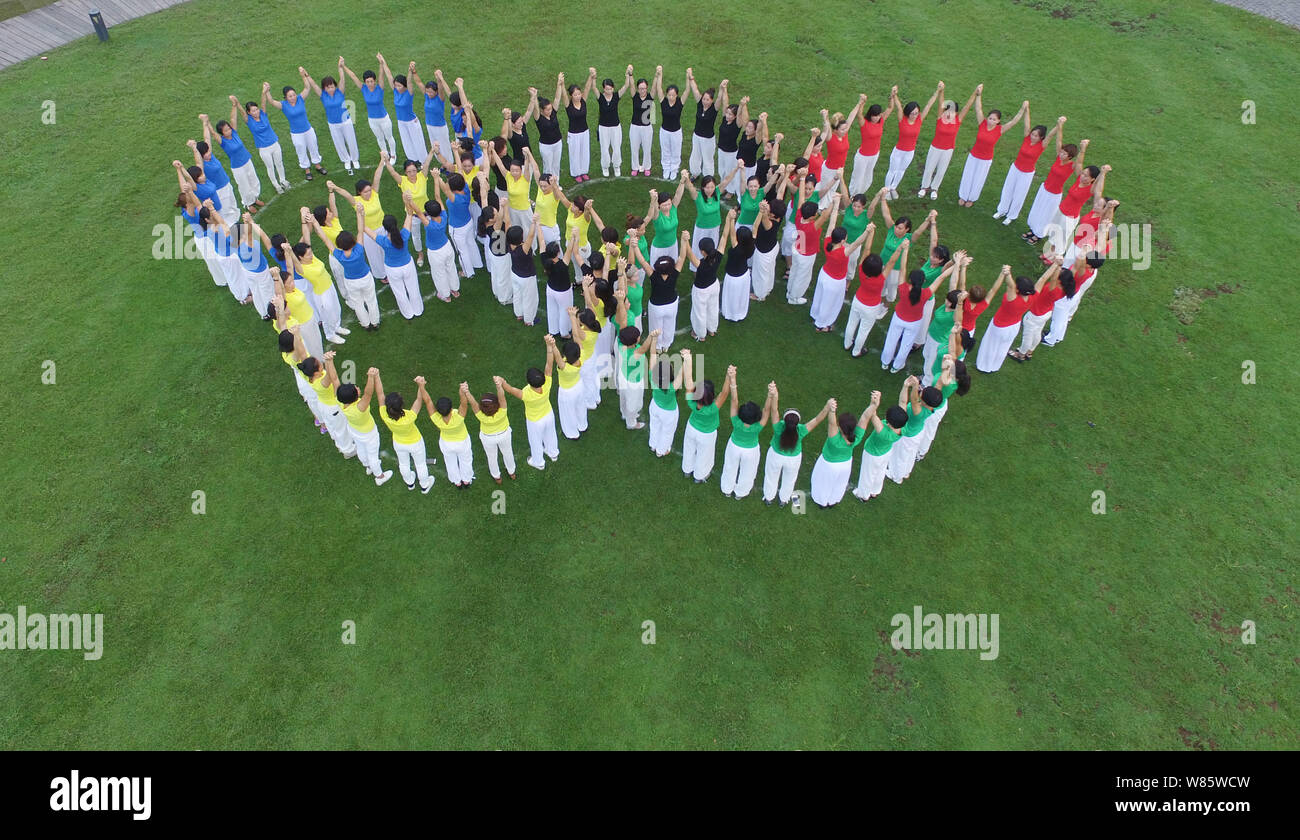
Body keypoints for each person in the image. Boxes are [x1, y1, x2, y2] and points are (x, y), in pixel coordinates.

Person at [879, 242, 953, 373]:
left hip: (898, 318)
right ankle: (896, 366)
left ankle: (885, 362)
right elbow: (941, 277)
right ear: (923, 281)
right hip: (913, 323)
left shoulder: (903, 288)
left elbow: (903, 268)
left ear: (910, 280)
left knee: (891, 339)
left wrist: (905, 250)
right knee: (906, 345)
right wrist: (956, 264)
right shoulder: (926, 294)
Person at [761, 385, 831, 507]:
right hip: (793, 459)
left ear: (785, 420)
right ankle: (783, 500)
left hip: (775, 456)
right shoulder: (801, 430)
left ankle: (768, 498)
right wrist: (827, 407)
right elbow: (817, 420)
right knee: (789, 480)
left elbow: (774, 410)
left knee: (771, 477)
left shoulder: (778, 427)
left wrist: (775, 395)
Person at [810, 196, 872, 331]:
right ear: (843, 241)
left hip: (824, 274)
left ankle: (815, 314)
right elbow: (857, 243)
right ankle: (821, 325)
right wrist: (867, 231)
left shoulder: (827, 242)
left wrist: (836, 203)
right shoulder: (843, 253)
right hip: (835, 282)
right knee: (830, 303)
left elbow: (832, 223)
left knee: (820, 296)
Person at [497, 339, 559, 470]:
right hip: (548, 415)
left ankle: (539, 462)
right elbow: (549, 364)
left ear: (529, 383)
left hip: (535, 422)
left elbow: (510, 390)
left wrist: (501, 382)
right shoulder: (547, 383)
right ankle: (553, 454)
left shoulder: (526, 393)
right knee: (551, 434)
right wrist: (549, 346)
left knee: (535, 442)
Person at [288, 212, 349, 345]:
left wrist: (305, 220)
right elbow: (291, 258)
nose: (310, 255)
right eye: (308, 254)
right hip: (321, 293)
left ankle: (337, 326)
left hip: (329, 286)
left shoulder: (312, 258)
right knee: (327, 315)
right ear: (300, 258)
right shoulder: (301, 268)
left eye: (310, 253)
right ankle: (330, 334)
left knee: (336, 308)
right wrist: (288, 251)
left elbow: (307, 237)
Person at [956, 96, 1027, 207]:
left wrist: (1023, 109)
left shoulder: (1000, 129)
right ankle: (963, 196)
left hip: (985, 160)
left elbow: (1014, 121)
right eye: (990, 118)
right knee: (968, 175)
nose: (991, 121)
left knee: (979, 178)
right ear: (987, 118)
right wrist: (979, 95)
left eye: (994, 119)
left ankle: (971, 198)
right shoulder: (982, 123)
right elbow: (978, 109)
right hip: (974, 155)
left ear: (998, 121)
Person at [994, 114, 1063, 226]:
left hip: (1026, 174)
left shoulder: (1042, 145)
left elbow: (1050, 135)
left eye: (1036, 136)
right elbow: (1027, 124)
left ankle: (1011, 216)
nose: (1033, 137)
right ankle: (1001, 210)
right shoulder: (1027, 138)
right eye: (1032, 134)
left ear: (1041, 138)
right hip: (1015, 168)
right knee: (1008, 189)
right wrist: (1026, 109)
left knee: (1019, 195)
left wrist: (1059, 124)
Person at [376, 373, 436, 493]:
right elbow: (420, 399)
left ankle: (410, 483)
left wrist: (376, 376)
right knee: (420, 464)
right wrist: (421, 386)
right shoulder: (409, 416)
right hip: (415, 443)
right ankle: (424, 485)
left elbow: (380, 394)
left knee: (403, 464)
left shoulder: (384, 414)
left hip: (399, 443)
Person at [329, 167, 390, 284]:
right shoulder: (357, 201)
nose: (369, 193)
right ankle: (381, 275)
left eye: (369, 190)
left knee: (385, 249)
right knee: (374, 255)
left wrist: (382, 160)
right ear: (359, 192)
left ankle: (388, 267)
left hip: (382, 228)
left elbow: (377, 177)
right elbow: (346, 195)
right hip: (367, 232)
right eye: (365, 191)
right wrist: (334, 187)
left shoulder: (374, 194)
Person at [718, 369, 772, 499]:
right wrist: (771, 395)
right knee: (748, 472)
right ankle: (740, 493)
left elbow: (734, 400)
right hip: (751, 451)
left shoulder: (735, 421)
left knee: (729, 467)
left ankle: (726, 489)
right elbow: (766, 410)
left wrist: (733, 379)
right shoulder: (758, 427)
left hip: (734, 447)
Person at [917, 84, 978, 200]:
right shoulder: (940, 118)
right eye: (947, 110)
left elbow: (967, 106)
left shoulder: (957, 120)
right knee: (929, 168)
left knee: (941, 170)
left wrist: (975, 93)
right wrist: (942, 90)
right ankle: (924, 187)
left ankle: (934, 188)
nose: (949, 113)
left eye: (953, 111)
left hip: (948, 150)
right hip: (935, 147)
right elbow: (941, 102)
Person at [262, 73, 328, 181]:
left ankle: (317, 165)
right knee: (301, 150)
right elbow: (272, 101)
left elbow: (307, 87)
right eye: (290, 96)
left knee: (313, 146)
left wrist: (303, 75)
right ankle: (307, 170)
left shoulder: (300, 98)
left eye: (293, 95)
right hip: (296, 133)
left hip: (308, 130)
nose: (293, 97)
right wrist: (267, 90)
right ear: (286, 97)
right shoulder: (284, 105)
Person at [974, 265, 1039, 373]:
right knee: (1003, 348)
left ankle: (983, 366)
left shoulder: (1013, 298)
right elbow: (1042, 280)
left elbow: (1010, 286)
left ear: (1018, 289)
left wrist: (1007, 273)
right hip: (1014, 327)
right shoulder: (1034, 296)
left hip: (1000, 326)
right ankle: (995, 367)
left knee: (990, 345)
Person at [872, 191, 935, 302]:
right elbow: (886, 215)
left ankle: (886, 305)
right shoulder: (891, 230)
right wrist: (883, 199)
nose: (897, 229)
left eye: (900, 228)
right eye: (897, 226)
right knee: (881, 284)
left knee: (891, 287)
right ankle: (879, 301)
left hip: (896, 268)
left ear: (907, 229)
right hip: (883, 262)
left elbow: (919, 232)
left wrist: (928, 219)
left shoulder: (909, 238)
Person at [882, 82, 941, 199]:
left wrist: (937, 92)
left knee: (901, 170)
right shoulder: (902, 119)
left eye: (916, 113)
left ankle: (893, 187)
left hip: (909, 152)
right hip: (898, 151)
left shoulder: (919, 119)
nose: (914, 115)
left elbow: (929, 105)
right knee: (892, 170)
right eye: (912, 113)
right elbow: (898, 107)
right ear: (907, 113)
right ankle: (886, 190)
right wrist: (894, 94)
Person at [337, 367, 395, 486]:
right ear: (355, 395)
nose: (358, 387)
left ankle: (367, 467)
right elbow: (368, 393)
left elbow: (334, 380)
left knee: (361, 450)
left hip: (354, 431)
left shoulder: (340, 402)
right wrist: (371, 376)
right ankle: (379, 476)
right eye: (356, 388)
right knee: (373, 455)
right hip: (369, 434)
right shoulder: (359, 407)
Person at [1024, 136, 1085, 245]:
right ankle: (1033, 229)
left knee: (1046, 215)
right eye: (1061, 152)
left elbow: (1079, 162)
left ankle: (1039, 234)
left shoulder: (1071, 166)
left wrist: (1082, 149)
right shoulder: (1058, 158)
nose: (1061, 154)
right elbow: (1059, 141)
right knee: (1038, 209)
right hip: (1044, 189)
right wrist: (1060, 125)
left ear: (1070, 157)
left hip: (1054, 195)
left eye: (1064, 154)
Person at [809, 398, 870, 507]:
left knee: (822, 483)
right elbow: (865, 417)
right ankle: (833, 501)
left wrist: (832, 410)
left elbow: (831, 423)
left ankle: (822, 502)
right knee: (840, 484)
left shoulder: (834, 440)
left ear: (840, 427)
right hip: (846, 465)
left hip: (828, 465)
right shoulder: (856, 438)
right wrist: (874, 404)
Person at [366, 202, 423, 321]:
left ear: (385, 228)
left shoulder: (382, 240)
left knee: (399, 292)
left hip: (392, 269)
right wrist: (407, 201)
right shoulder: (404, 234)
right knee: (413, 288)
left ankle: (408, 314)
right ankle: (418, 310)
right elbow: (409, 215)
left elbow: (365, 229)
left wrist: (360, 215)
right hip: (407, 266)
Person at [330, 203, 381, 331]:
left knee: (358, 303)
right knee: (371, 300)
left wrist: (314, 223)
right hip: (365, 278)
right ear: (352, 241)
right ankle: (375, 322)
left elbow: (325, 239)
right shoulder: (358, 249)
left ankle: (365, 324)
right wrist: (359, 213)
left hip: (351, 282)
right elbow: (360, 230)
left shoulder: (339, 255)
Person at [403, 186, 459, 303]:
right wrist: (435, 178)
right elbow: (438, 197)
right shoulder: (444, 215)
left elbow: (418, 212)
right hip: (447, 247)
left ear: (428, 213)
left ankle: (445, 295)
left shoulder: (429, 224)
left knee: (439, 274)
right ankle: (455, 290)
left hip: (435, 252)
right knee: (451, 267)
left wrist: (409, 200)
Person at [920, 257, 971, 385]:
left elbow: (959, 318)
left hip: (939, 341)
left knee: (931, 363)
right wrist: (958, 264)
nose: (946, 300)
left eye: (949, 300)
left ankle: (926, 384)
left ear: (955, 304)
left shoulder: (955, 314)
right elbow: (953, 283)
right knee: (926, 355)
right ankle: (926, 377)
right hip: (932, 335)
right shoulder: (948, 304)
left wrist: (959, 302)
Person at [301, 66, 360, 175]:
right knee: (339, 143)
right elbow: (313, 85)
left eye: (332, 86)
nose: (330, 89)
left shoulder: (340, 91)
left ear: (335, 86)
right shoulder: (323, 95)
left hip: (345, 121)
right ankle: (346, 160)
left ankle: (355, 159)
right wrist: (306, 74)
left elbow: (342, 78)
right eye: (327, 87)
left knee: (351, 140)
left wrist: (340, 66)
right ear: (324, 88)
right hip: (333, 124)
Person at [635, 234, 690, 350]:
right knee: (670, 325)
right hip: (671, 305)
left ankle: (658, 346)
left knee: (655, 326)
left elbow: (643, 261)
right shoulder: (674, 273)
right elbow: (682, 257)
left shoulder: (653, 275)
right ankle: (667, 343)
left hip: (656, 306)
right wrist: (683, 241)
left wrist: (635, 247)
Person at [681, 363, 734, 482]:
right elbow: (724, 393)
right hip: (707, 435)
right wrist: (728, 376)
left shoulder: (691, 402)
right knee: (704, 455)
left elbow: (689, 380)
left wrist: (687, 359)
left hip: (691, 428)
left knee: (689, 448)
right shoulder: (713, 408)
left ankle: (687, 470)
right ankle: (699, 476)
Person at [340, 56, 398, 163]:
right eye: (367, 82)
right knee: (380, 138)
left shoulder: (380, 88)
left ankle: (393, 155)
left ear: (374, 81)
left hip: (384, 118)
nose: (370, 83)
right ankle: (385, 155)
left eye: (371, 81)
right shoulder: (363, 89)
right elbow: (353, 77)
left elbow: (381, 75)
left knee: (389, 137)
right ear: (365, 82)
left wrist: (381, 63)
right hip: (372, 120)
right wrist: (343, 66)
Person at [201, 114, 262, 212]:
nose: (229, 131)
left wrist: (234, 104)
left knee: (253, 180)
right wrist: (206, 122)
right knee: (244, 185)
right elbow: (212, 133)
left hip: (247, 160)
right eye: (225, 130)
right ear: (222, 133)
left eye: (229, 128)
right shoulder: (223, 142)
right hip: (237, 167)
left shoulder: (234, 133)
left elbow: (233, 118)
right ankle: (248, 204)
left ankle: (255, 198)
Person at [232, 94, 290, 193]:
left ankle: (283, 180)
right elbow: (242, 112)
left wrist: (264, 91)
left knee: (279, 163)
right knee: (270, 167)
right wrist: (236, 102)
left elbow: (263, 103)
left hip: (274, 143)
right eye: (253, 111)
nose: (256, 112)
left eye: (256, 109)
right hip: (264, 149)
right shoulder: (248, 120)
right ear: (249, 113)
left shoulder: (263, 114)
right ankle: (276, 185)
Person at [916, 355, 970, 461]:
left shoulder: (948, 382)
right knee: (925, 428)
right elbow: (944, 362)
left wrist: (947, 363)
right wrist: (947, 360)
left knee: (928, 431)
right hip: (936, 403)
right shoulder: (950, 378)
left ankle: (921, 452)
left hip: (935, 408)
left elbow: (941, 380)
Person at [1010, 262, 1067, 361]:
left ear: (1059, 280)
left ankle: (1021, 354)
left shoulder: (1053, 288)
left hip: (1035, 314)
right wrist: (1058, 266)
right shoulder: (1064, 289)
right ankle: (1030, 351)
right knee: (1037, 332)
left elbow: (1044, 278)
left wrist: (1056, 265)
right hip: (1046, 313)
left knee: (1027, 335)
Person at [787, 196, 838, 306]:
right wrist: (833, 202)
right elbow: (824, 217)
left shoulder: (798, 216)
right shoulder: (811, 227)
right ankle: (794, 297)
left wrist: (802, 181)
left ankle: (789, 291)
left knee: (794, 271)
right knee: (802, 277)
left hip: (797, 249)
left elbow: (801, 200)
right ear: (812, 217)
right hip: (806, 255)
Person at [303, 352, 356, 457]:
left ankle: (337, 441)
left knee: (333, 426)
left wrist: (327, 361)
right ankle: (348, 451)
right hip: (333, 409)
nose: (320, 362)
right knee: (341, 429)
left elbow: (328, 374)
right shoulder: (321, 383)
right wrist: (330, 361)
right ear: (316, 371)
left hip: (323, 405)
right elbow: (333, 377)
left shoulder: (310, 377)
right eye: (319, 363)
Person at [852, 392, 902, 502]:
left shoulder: (883, 431)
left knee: (867, 474)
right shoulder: (900, 428)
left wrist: (875, 402)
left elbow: (872, 415)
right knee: (880, 472)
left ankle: (863, 495)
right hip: (885, 453)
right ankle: (875, 491)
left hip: (872, 454)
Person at [465, 381, 517, 484]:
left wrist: (466, 392)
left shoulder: (480, 414)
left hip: (488, 438)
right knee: (508, 453)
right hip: (504, 435)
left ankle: (497, 477)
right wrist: (498, 386)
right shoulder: (502, 410)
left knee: (491, 457)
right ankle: (512, 473)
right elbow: (501, 396)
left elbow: (473, 403)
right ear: (497, 403)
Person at [427, 384, 475, 487]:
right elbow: (464, 403)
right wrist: (461, 390)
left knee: (450, 463)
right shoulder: (458, 417)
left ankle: (457, 482)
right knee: (466, 461)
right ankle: (466, 480)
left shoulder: (436, 418)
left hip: (446, 444)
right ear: (451, 408)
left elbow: (428, 402)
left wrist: (421, 387)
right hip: (462, 443)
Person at [849, 94, 894, 196]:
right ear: (870, 115)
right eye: (874, 115)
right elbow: (859, 114)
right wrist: (863, 101)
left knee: (868, 176)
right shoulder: (864, 123)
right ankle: (853, 195)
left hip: (874, 154)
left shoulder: (881, 121)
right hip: (863, 156)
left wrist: (892, 96)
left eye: (878, 115)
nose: (876, 118)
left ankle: (861, 194)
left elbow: (890, 108)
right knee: (858, 176)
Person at [409, 63, 452, 167]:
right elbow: (419, 82)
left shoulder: (440, 98)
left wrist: (438, 78)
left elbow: (441, 88)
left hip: (440, 127)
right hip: (430, 126)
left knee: (445, 146)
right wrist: (413, 71)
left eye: (431, 92)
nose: (428, 93)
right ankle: (442, 163)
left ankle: (450, 164)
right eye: (427, 91)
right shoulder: (427, 96)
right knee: (436, 146)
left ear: (436, 92)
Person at [682, 233, 723, 342]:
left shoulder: (700, 264)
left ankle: (700, 334)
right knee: (713, 307)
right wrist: (729, 220)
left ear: (703, 252)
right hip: (714, 286)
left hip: (701, 291)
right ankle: (712, 330)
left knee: (699, 312)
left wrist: (685, 240)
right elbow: (723, 237)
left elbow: (689, 253)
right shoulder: (718, 256)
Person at [558, 68, 597, 181]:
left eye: (579, 94)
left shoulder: (583, 101)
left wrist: (591, 75)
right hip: (574, 134)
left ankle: (584, 171)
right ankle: (576, 173)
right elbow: (563, 94)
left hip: (584, 131)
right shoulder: (568, 105)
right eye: (575, 95)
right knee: (574, 154)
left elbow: (587, 88)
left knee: (584, 152)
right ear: (571, 96)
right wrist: (561, 83)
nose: (578, 96)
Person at [886, 377, 926, 484]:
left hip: (907, 436)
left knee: (901, 456)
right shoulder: (927, 409)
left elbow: (905, 402)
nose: (920, 391)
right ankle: (906, 472)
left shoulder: (917, 410)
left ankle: (896, 476)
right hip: (916, 433)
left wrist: (912, 386)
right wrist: (906, 387)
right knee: (910, 454)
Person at [594, 66, 633, 177]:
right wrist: (593, 76)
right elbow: (593, 87)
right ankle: (605, 167)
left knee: (616, 148)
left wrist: (627, 74)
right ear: (603, 89)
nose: (609, 91)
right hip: (603, 127)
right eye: (607, 89)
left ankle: (616, 166)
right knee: (604, 149)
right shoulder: (600, 97)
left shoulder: (616, 96)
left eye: (611, 89)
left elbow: (626, 86)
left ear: (613, 88)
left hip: (615, 127)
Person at [684, 70, 723, 177]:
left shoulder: (714, 109)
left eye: (707, 100)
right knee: (695, 156)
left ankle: (708, 178)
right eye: (704, 99)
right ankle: (695, 173)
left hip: (708, 139)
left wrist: (722, 88)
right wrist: (691, 76)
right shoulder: (700, 104)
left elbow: (720, 98)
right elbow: (695, 90)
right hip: (696, 136)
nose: (705, 101)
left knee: (708, 159)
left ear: (711, 101)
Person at [648, 342, 685, 457]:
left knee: (654, 426)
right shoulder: (671, 388)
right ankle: (661, 451)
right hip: (669, 413)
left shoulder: (652, 378)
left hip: (654, 406)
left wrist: (654, 339)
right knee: (667, 432)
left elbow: (653, 354)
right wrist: (686, 359)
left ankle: (653, 444)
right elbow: (681, 374)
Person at [652, 66, 686, 179]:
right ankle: (666, 168)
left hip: (676, 132)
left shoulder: (680, 103)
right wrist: (659, 74)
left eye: (673, 95)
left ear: (677, 95)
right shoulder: (663, 101)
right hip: (664, 131)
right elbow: (658, 88)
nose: (671, 97)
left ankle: (674, 169)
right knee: (665, 150)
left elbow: (687, 90)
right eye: (669, 95)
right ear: (667, 94)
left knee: (676, 151)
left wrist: (688, 77)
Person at [508, 213, 542, 326]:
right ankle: (529, 320)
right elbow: (531, 236)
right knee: (530, 298)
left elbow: (508, 224)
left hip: (514, 274)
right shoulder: (523, 249)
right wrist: (534, 222)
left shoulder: (509, 244)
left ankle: (518, 314)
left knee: (517, 294)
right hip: (526, 278)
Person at [551, 335, 587, 440]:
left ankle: (572, 433)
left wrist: (553, 345)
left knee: (568, 413)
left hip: (567, 392)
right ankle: (582, 425)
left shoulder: (565, 367)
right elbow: (578, 339)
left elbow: (557, 357)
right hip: (579, 386)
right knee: (581, 407)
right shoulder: (582, 357)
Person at [647, 174, 689, 263]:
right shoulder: (657, 215)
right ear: (659, 205)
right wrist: (653, 199)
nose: (667, 207)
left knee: (672, 269)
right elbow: (654, 207)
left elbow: (678, 195)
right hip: (659, 248)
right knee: (658, 271)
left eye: (669, 204)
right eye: (664, 205)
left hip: (673, 245)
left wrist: (682, 180)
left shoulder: (673, 209)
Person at [717, 96, 751, 198]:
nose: (727, 116)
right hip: (721, 150)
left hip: (730, 152)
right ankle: (723, 186)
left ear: (735, 116)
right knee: (721, 170)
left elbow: (741, 114)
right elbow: (725, 102)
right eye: (727, 113)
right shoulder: (724, 120)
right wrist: (724, 89)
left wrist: (742, 104)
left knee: (729, 171)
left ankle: (731, 191)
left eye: (730, 114)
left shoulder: (737, 124)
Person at [528, 85, 565, 177]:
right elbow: (535, 108)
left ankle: (556, 183)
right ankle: (548, 185)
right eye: (547, 110)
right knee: (548, 167)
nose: (550, 111)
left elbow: (557, 98)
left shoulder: (553, 114)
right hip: (546, 146)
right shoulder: (539, 119)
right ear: (542, 111)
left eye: (551, 108)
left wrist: (559, 83)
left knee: (556, 165)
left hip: (557, 143)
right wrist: (534, 96)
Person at [750, 198, 782, 301]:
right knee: (769, 270)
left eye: (770, 207)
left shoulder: (769, 224)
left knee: (760, 274)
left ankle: (760, 295)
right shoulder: (778, 217)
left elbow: (762, 218)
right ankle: (768, 288)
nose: (768, 206)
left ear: (772, 215)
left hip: (764, 253)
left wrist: (762, 208)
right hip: (772, 247)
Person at [683, 173, 722, 253]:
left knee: (713, 248)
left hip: (715, 226)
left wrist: (736, 169)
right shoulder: (698, 196)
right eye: (707, 187)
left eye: (712, 187)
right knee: (698, 250)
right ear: (703, 187)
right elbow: (690, 187)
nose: (710, 190)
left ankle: (710, 263)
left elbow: (726, 181)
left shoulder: (717, 192)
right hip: (702, 228)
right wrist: (686, 178)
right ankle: (695, 265)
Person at [628, 71, 655, 176]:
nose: (642, 90)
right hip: (634, 126)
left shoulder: (650, 96)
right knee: (634, 148)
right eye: (640, 88)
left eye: (644, 88)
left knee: (647, 148)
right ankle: (635, 167)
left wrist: (657, 75)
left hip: (647, 127)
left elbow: (655, 87)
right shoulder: (635, 96)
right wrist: (630, 75)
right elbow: (631, 85)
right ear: (637, 89)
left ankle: (646, 167)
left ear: (647, 88)